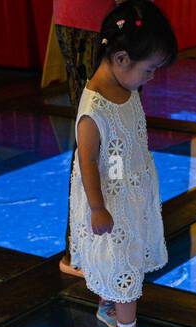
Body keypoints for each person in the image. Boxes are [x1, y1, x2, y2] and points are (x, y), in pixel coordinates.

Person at [68, 1, 177, 327]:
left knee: (119, 255)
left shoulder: (126, 88)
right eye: (149, 70)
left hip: (128, 189)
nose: (152, 77)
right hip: (109, 200)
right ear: (120, 59)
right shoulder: (93, 110)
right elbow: (86, 162)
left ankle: (107, 306)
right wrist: (98, 208)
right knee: (124, 259)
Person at [53, 0, 118, 278]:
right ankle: (80, 249)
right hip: (89, 20)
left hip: (94, 19)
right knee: (94, 134)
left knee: (110, 134)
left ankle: (97, 243)